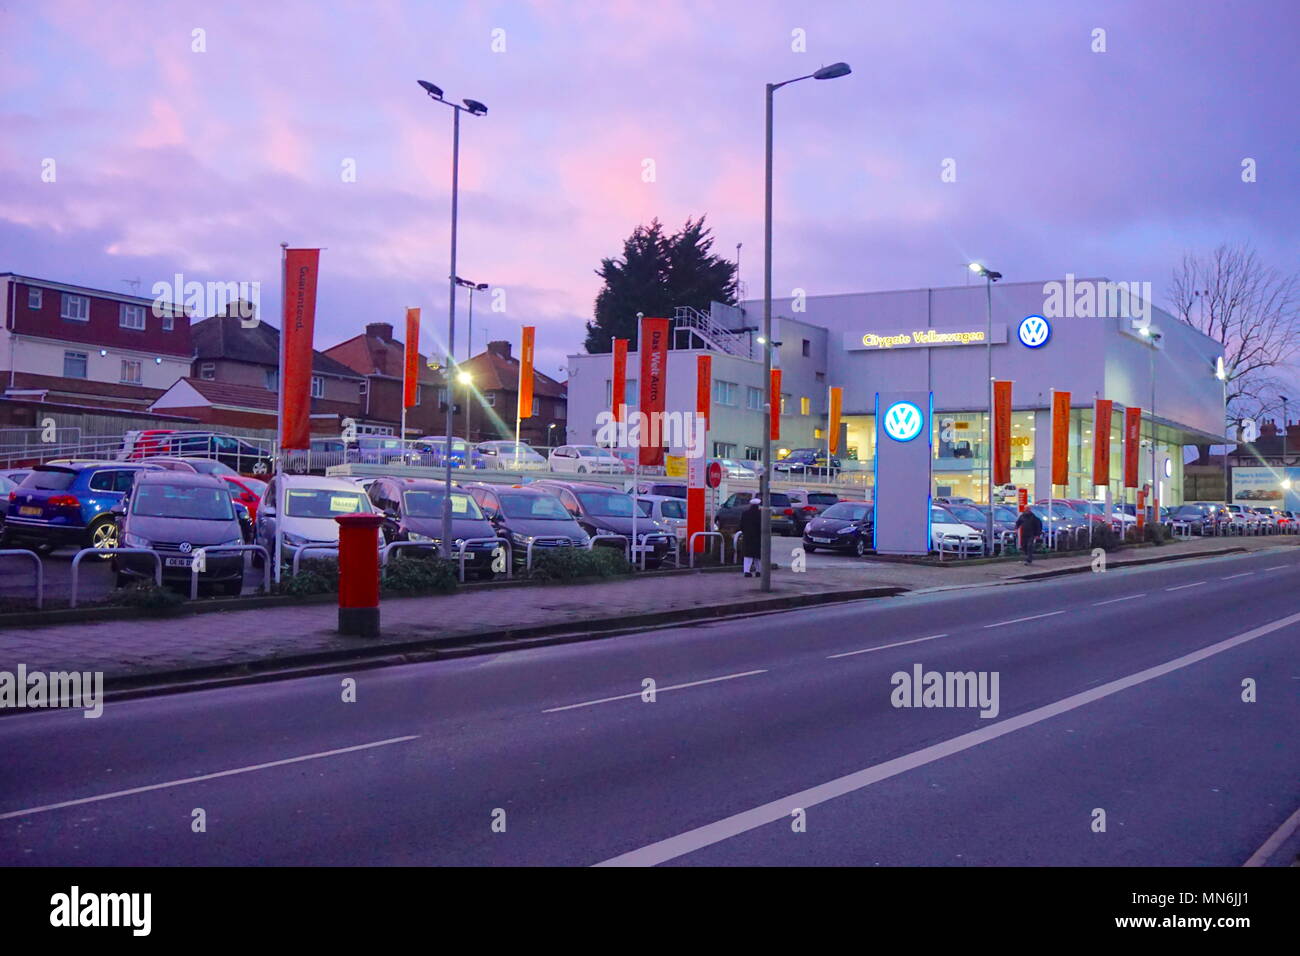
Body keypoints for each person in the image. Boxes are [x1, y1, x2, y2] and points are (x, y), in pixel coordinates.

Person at [739, 496, 763, 577]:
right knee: (758, 556)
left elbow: (741, 525)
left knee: (748, 555)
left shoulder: (745, 513)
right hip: (758, 537)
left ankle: (746, 571)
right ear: (758, 505)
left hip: (748, 537)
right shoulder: (761, 514)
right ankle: (758, 571)